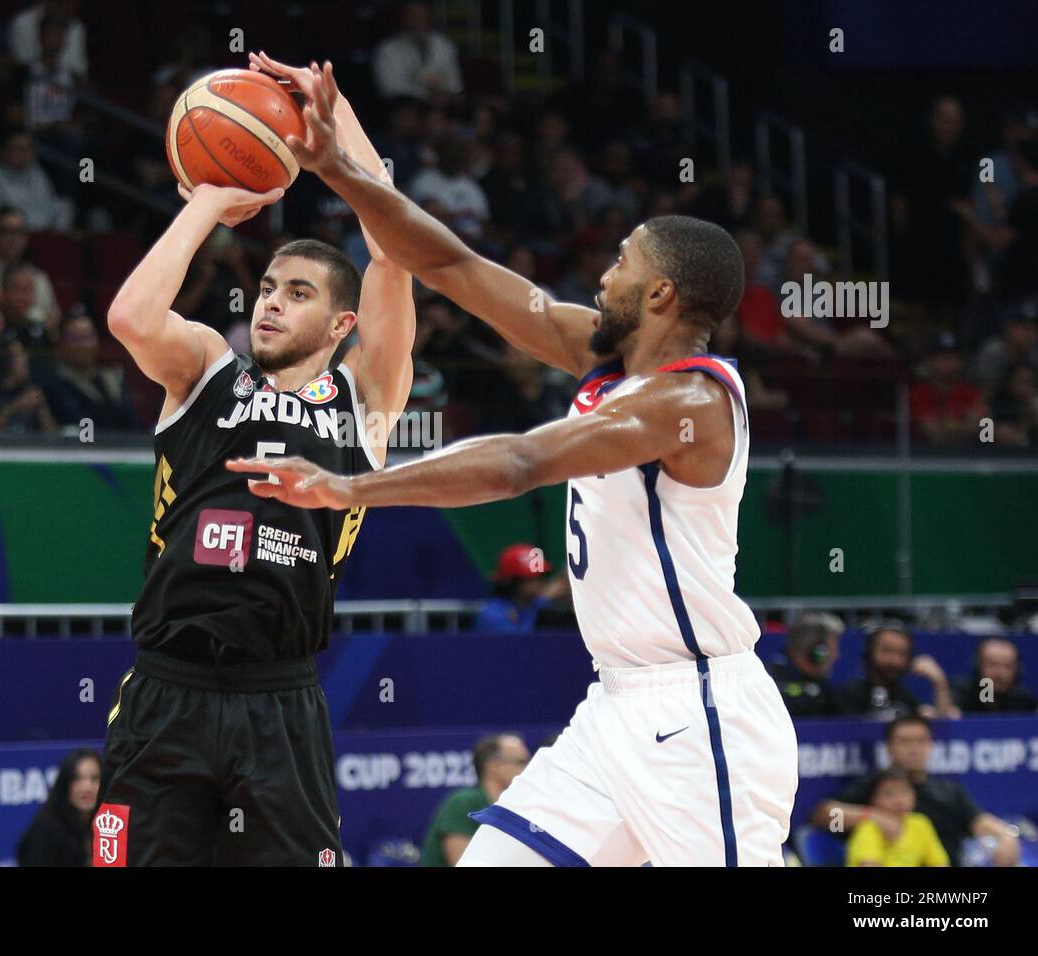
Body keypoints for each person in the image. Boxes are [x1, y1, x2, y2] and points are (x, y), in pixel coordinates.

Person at [232, 62, 799, 867]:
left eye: (623, 263)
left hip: (700, 712)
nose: (605, 274)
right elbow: (454, 267)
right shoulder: (602, 355)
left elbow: (519, 464)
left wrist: (353, 487)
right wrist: (336, 163)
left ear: (663, 295)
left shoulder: (687, 405)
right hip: (615, 710)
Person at [94, 54, 415, 867]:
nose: (270, 300)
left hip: (280, 698)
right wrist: (207, 201)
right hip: (167, 686)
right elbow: (131, 316)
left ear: (343, 324)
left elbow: (395, 254)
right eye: (269, 286)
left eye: (298, 292)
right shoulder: (205, 366)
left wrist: (335, 130)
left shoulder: (365, 402)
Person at [813, 714, 1021, 867]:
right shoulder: (873, 787)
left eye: (921, 741)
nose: (914, 749)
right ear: (889, 747)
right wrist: (872, 815)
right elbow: (824, 816)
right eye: (905, 741)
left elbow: (978, 821)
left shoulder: (948, 791)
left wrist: (1005, 835)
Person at [420, 734, 530, 866]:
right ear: (494, 766)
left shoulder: (518, 806)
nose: (529, 769)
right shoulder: (464, 803)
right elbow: (463, 863)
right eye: (521, 762)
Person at [837, 622, 959, 720]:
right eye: (887, 651)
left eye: (902, 654)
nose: (894, 660)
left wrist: (940, 683)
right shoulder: (849, 694)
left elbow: (944, 731)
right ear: (869, 653)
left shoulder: (904, 696)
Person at [845, 768, 949, 868]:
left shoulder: (920, 823)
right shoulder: (868, 827)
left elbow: (940, 864)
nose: (899, 801)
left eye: (904, 792)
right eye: (889, 794)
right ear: (873, 799)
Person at [17, 748, 100, 867]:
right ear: (64, 783)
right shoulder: (46, 830)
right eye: (77, 778)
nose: (87, 787)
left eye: (95, 778)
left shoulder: (106, 827)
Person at [768, 612, 844, 718]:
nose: (837, 655)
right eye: (833, 648)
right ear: (819, 651)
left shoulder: (823, 685)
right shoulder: (773, 681)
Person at [473, 543, 560, 633]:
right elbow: (519, 644)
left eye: (541, 576)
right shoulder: (492, 614)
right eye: (531, 577)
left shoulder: (539, 604)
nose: (539, 582)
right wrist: (545, 600)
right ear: (510, 582)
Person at [952, 638, 1038, 713]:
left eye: (1007, 666)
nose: (1000, 674)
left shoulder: (1025, 702)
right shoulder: (961, 694)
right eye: (992, 665)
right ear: (978, 666)